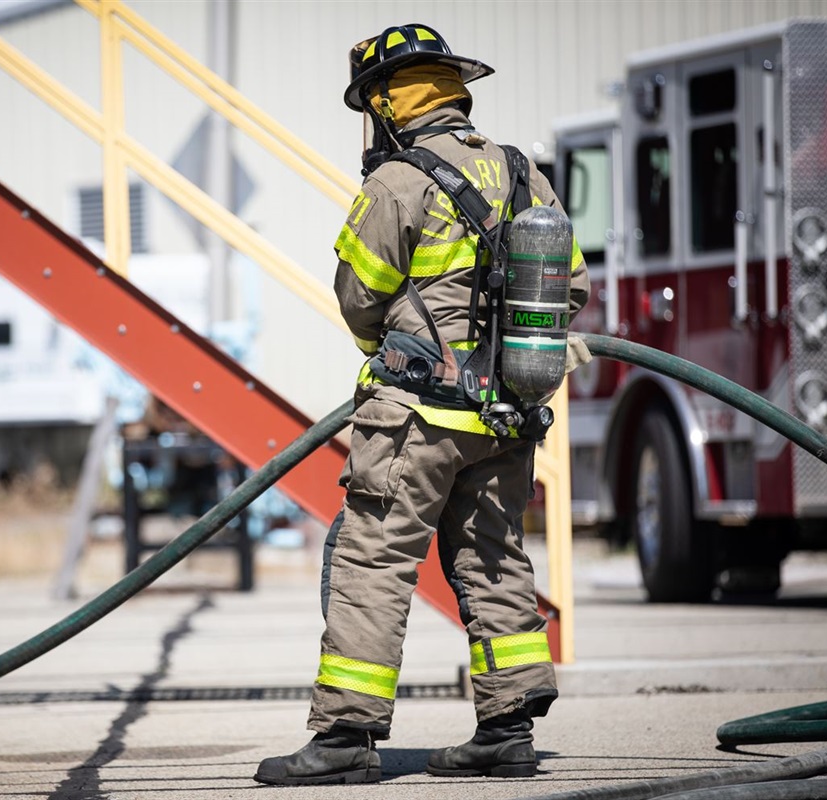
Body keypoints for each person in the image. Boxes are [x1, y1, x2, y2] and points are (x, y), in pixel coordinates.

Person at [253, 24, 591, 786]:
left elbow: (358, 296)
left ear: (387, 105)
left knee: (373, 560)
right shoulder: (521, 173)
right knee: (491, 554)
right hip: (505, 415)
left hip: (417, 418)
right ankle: (507, 729)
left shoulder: (397, 182)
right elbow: (570, 285)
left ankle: (345, 737)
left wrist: (407, 345)